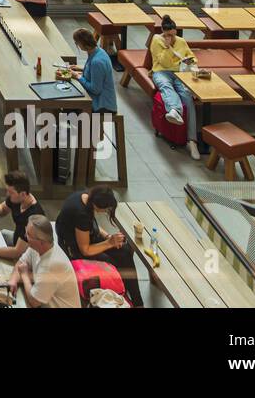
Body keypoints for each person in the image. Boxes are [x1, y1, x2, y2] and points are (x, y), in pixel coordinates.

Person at [55, 186, 142, 306]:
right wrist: (110, 242)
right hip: (73, 248)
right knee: (114, 262)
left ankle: (135, 299)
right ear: (98, 206)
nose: (106, 211)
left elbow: (92, 225)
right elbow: (85, 250)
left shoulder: (86, 196)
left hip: (84, 238)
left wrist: (107, 237)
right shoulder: (82, 214)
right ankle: (131, 299)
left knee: (125, 250)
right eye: (106, 209)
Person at [149, 16, 201, 160]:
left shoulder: (182, 42)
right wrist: (167, 46)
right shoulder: (156, 40)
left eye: (173, 34)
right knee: (166, 87)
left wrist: (189, 61)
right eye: (168, 35)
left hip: (179, 73)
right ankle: (174, 110)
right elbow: (164, 63)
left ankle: (192, 141)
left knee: (186, 96)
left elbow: (193, 57)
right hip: (161, 72)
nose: (171, 37)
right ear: (163, 32)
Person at [10, 215, 80, 308]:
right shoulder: (37, 247)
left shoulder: (52, 264)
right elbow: (21, 262)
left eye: (28, 235)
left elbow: (34, 301)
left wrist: (24, 275)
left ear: (41, 242)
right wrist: (13, 280)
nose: (25, 236)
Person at [0, 170, 46, 262]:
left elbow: (17, 252)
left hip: (27, 256)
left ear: (22, 194)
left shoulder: (33, 217)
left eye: (10, 192)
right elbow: (3, 208)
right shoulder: (17, 199)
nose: (7, 194)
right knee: (1, 234)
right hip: (16, 240)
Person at [71, 28, 117, 115]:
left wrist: (78, 76)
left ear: (82, 43)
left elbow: (95, 89)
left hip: (102, 105)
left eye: (76, 42)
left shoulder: (97, 62)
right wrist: (80, 68)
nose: (76, 45)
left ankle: (81, 128)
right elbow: (96, 72)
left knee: (70, 108)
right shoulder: (99, 51)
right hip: (101, 100)